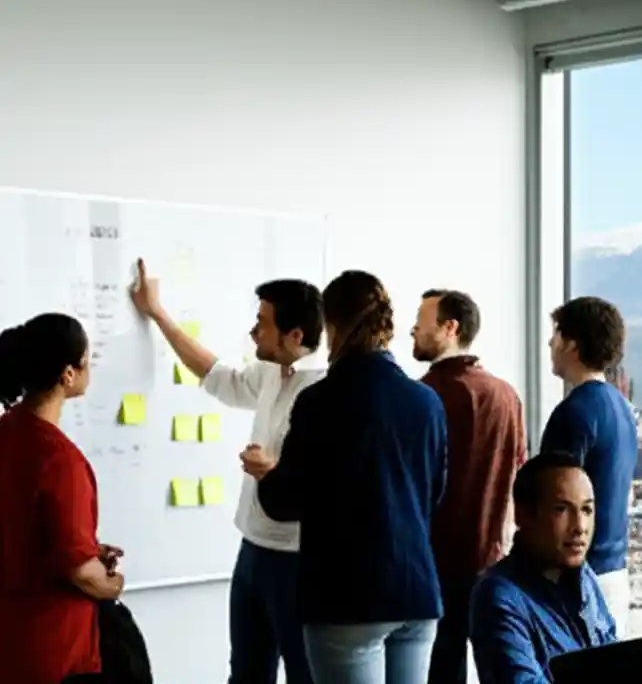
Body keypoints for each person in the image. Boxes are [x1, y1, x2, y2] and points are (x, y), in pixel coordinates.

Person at [130, 258, 323, 684]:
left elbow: (336, 478)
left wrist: (274, 471)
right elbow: (219, 377)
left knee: (304, 673)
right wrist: (158, 313)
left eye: (263, 323)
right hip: (252, 547)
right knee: (246, 673)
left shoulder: (326, 389)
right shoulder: (271, 371)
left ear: (295, 335)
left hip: (298, 558)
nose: (253, 331)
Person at [255, 270, 449, 684]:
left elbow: (284, 501)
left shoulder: (319, 401)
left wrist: (268, 474)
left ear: (332, 325)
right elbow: (434, 493)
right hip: (416, 592)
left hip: (347, 598)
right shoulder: (426, 402)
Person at [0, 314, 126, 683]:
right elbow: (81, 573)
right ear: (68, 374)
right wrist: (112, 585)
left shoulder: (7, 433)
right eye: (87, 359)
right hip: (52, 648)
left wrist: (87, 549)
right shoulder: (60, 460)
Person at [411, 289, 526, 684]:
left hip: (435, 561)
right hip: (492, 560)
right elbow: (517, 474)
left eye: (421, 322)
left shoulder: (424, 396)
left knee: (441, 670)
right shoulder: (507, 396)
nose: (413, 330)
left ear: (450, 328)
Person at [469, 452, 616, 684]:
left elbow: (615, 659)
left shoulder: (584, 577)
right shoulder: (500, 595)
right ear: (523, 516)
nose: (580, 527)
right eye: (561, 509)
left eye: (587, 510)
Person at [539, 296, 637, 636]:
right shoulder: (622, 409)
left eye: (556, 334)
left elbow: (552, 500)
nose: (550, 343)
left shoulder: (574, 412)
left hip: (578, 580)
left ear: (572, 344)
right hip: (614, 573)